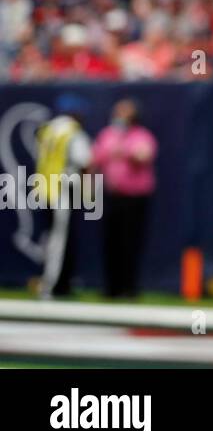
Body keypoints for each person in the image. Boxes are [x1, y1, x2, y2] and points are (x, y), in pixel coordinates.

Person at [89, 98, 157, 298]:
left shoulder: (141, 136)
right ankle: (111, 288)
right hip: (112, 196)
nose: (120, 116)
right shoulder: (107, 135)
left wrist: (125, 151)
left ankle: (129, 287)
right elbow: (95, 160)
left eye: (124, 112)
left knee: (131, 242)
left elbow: (144, 156)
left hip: (134, 198)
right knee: (111, 242)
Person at [35, 95, 93, 298]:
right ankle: (52, 286)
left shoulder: (47, 129)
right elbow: (84, 161)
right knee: (59, 240)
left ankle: (57, 283)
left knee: (51, 236)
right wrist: (89, 192)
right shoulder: (73, 133)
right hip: (62, 189)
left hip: (44, 188)